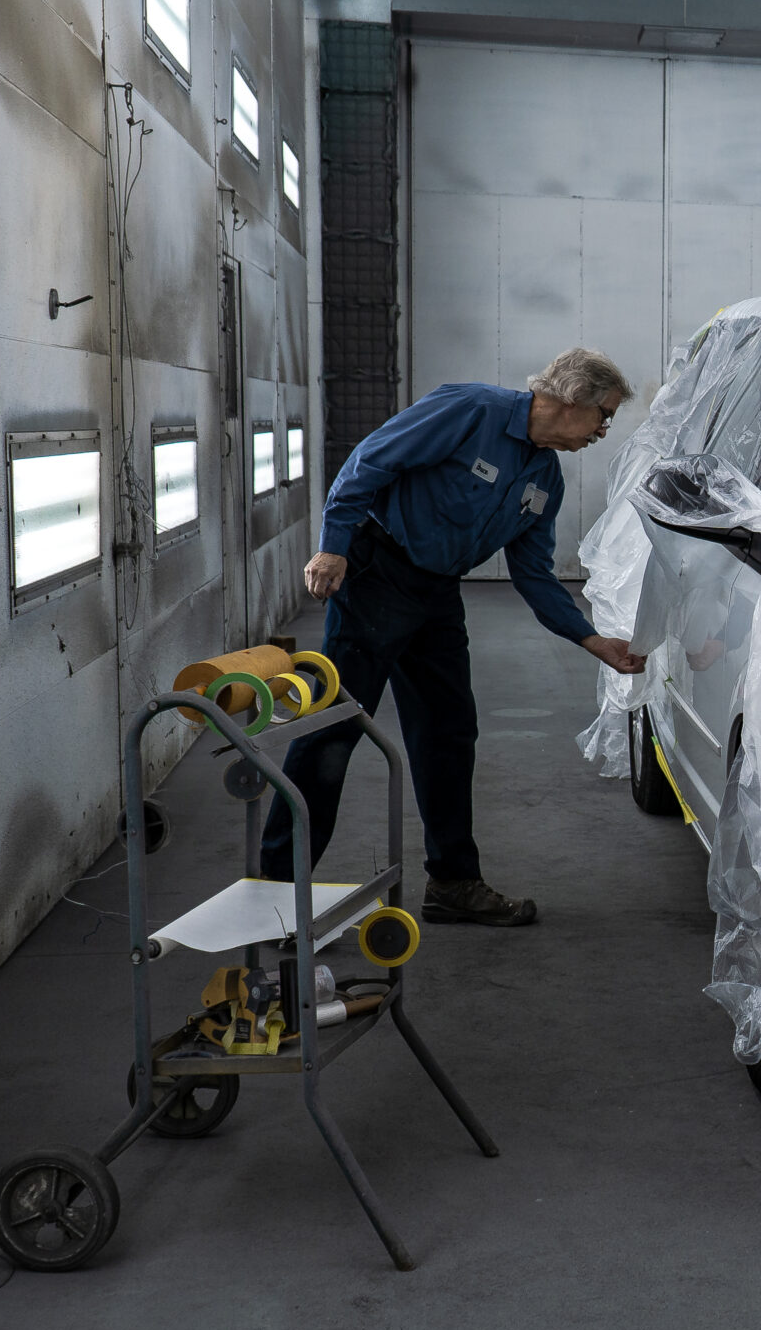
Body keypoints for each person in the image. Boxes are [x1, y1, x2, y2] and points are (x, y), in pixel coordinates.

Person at [262, 348, 647, 926]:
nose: (603, 431)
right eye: (605, 415)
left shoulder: (544, 478)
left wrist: (591, 640)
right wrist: (333, 546)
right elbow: (368, 463)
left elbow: (534, 573)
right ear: (573, 400)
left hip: (437, 595)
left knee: (449, 732)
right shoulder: (470, 410)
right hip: (376, 575)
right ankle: (274, 894)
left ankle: (452, 882)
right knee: (332, 732)